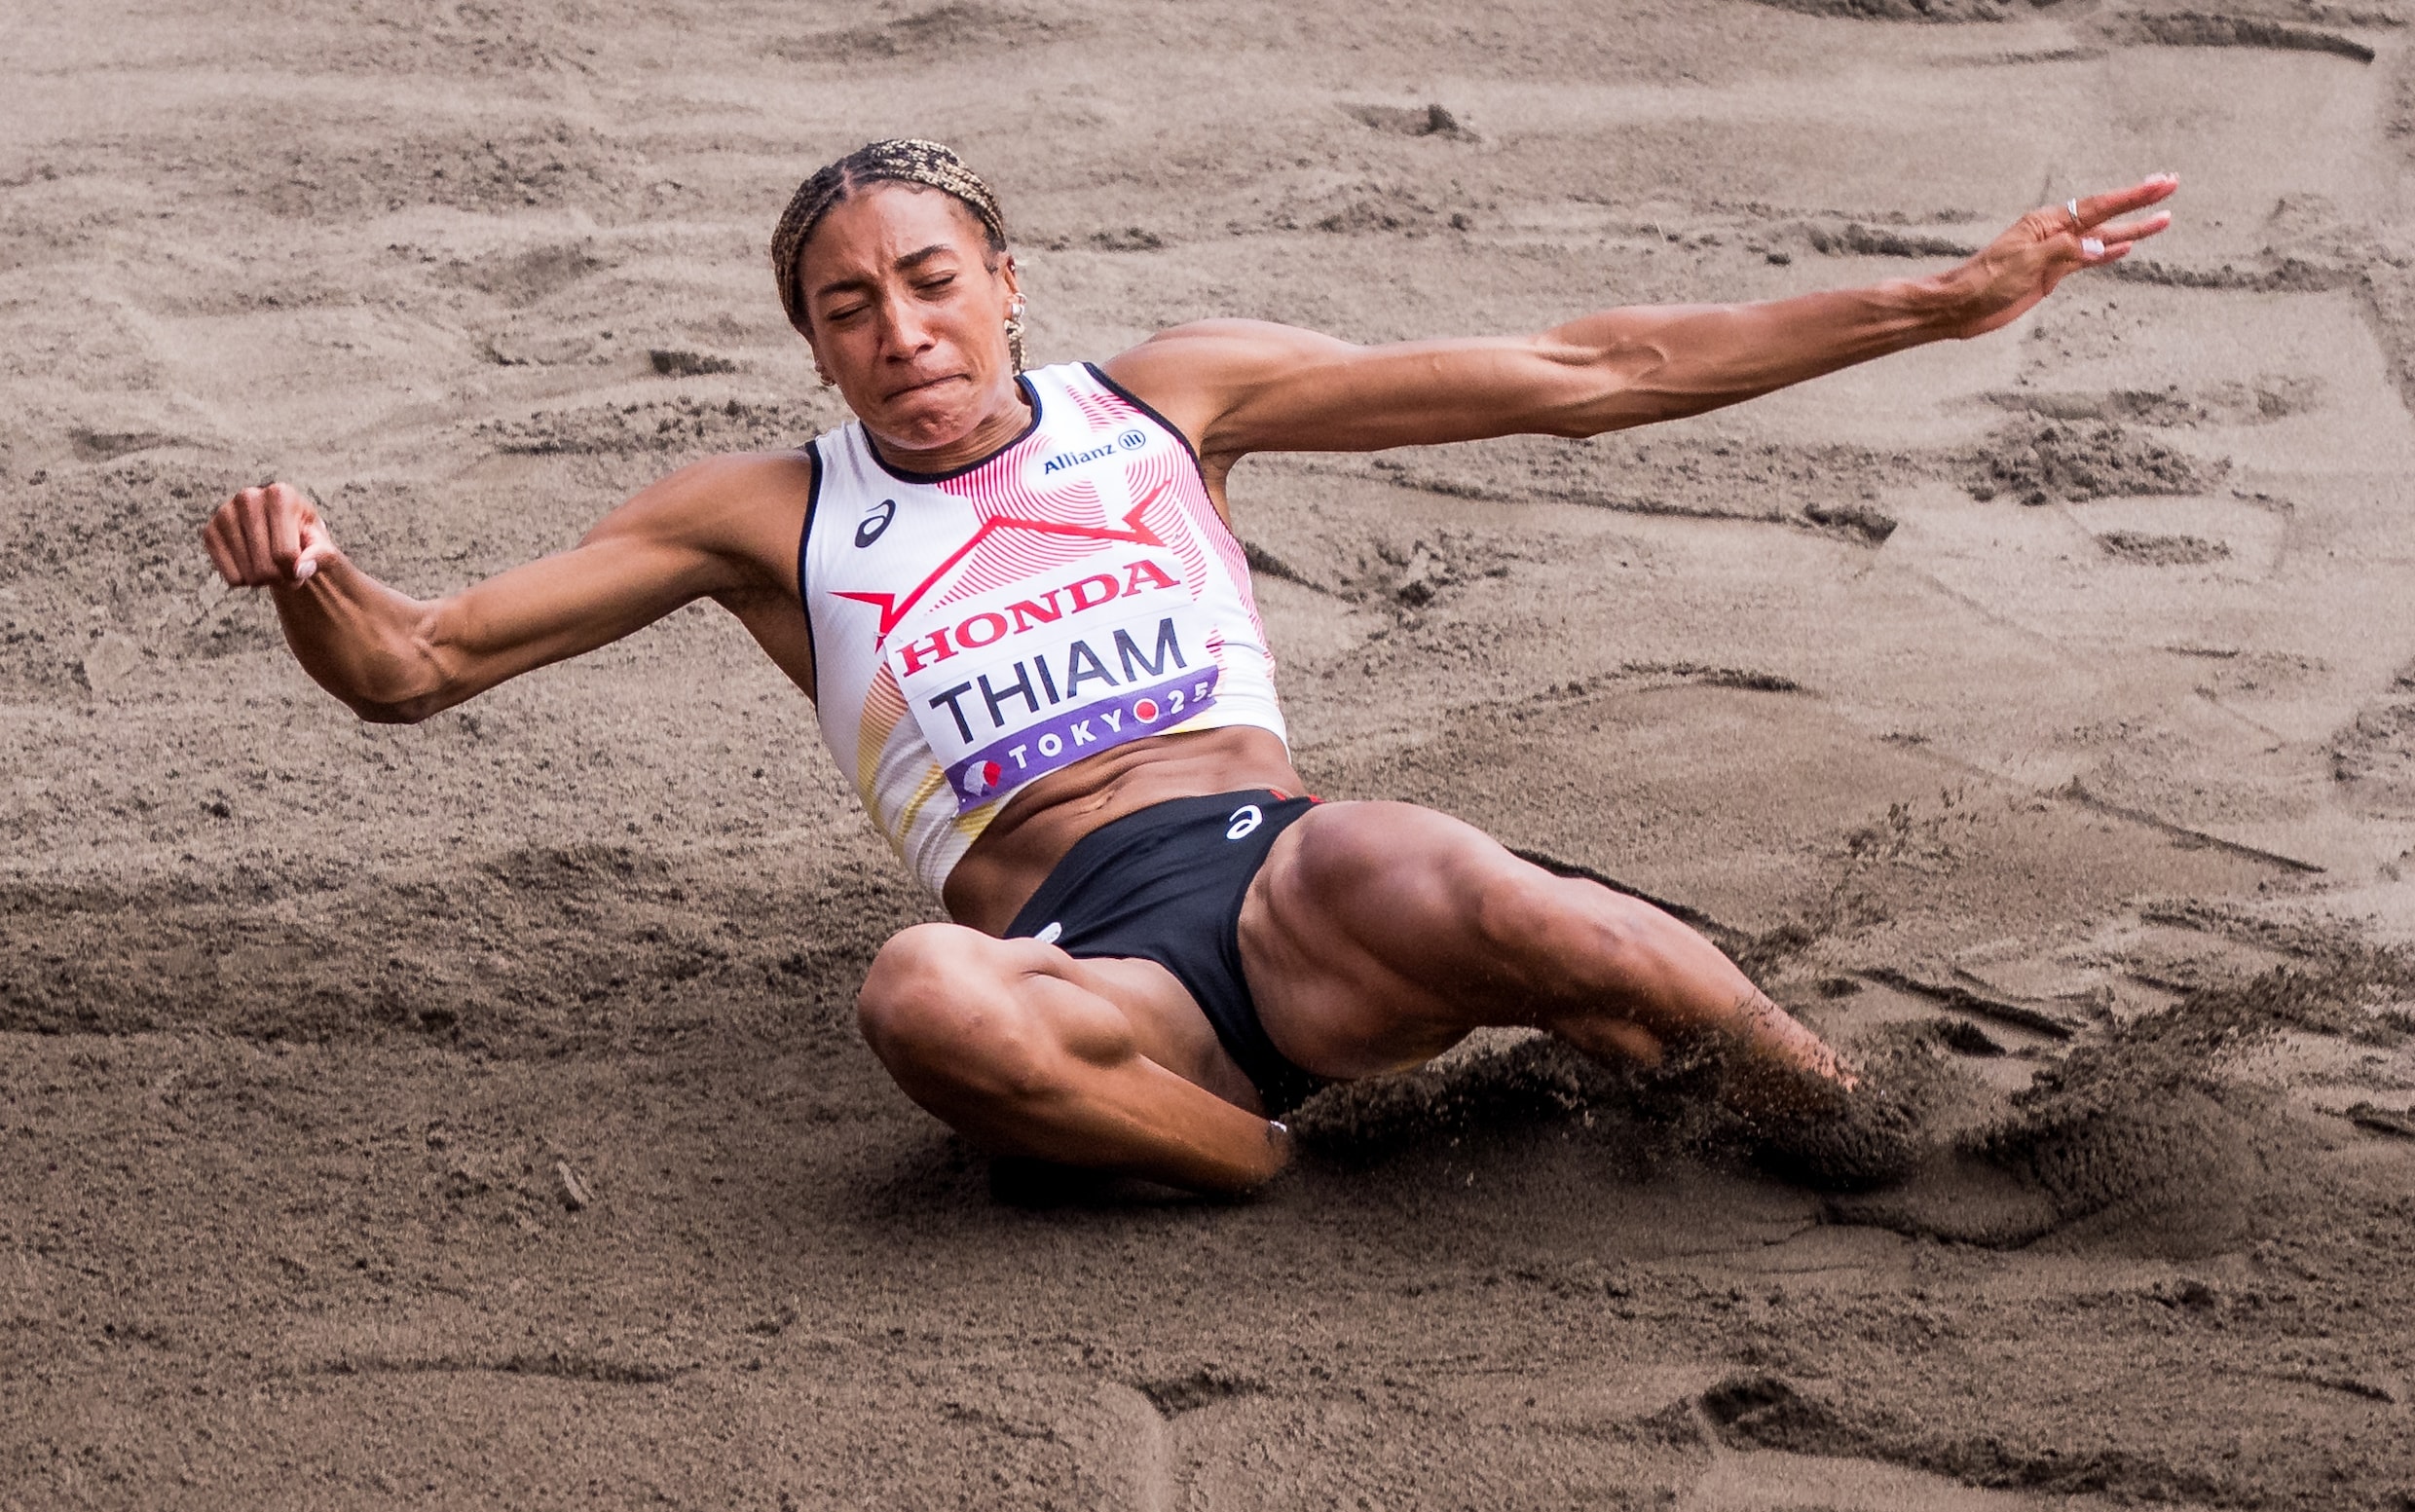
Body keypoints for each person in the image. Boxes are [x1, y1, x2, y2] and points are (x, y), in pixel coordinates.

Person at [201, 139, 2176, 1197]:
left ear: (1004, 281)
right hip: (1092, 968)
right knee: (914, 1000)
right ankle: (1263, 1160)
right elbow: (416, 666)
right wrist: (311, 575)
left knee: (1447, 870)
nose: (896, 329)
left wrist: (1931, 306)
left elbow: (1591, 373)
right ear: (811, 348)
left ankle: (1863, 1132)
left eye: (928, 279)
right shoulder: (762, 515)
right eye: (847, 307)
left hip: (1289, 882)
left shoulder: (1167, 401)